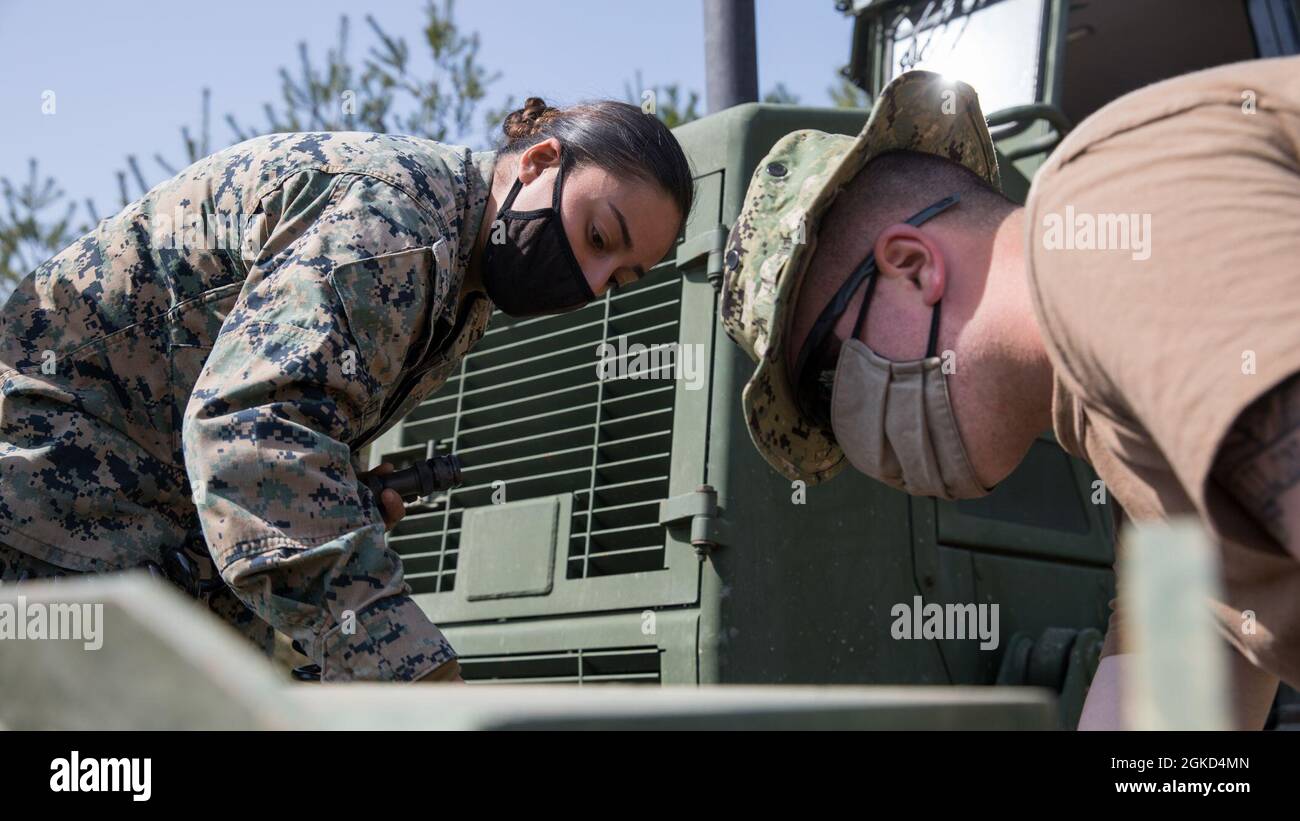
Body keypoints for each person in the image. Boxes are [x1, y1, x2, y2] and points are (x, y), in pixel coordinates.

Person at [0, 96, 693, 683]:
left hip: (132, 529)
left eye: (620, 281)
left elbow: (280, 419)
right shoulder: (394, 228)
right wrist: (413, 668)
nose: (591, 281)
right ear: (541, 161)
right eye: (599, 235)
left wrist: (343, 490)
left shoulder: (463, 281)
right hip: (53, 500)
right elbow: (252, 441)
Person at [719, 58, 1300, 729]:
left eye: (828, 385)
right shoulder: (1135, 468)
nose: (853, 440)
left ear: (912, 266)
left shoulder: (1102, 217)